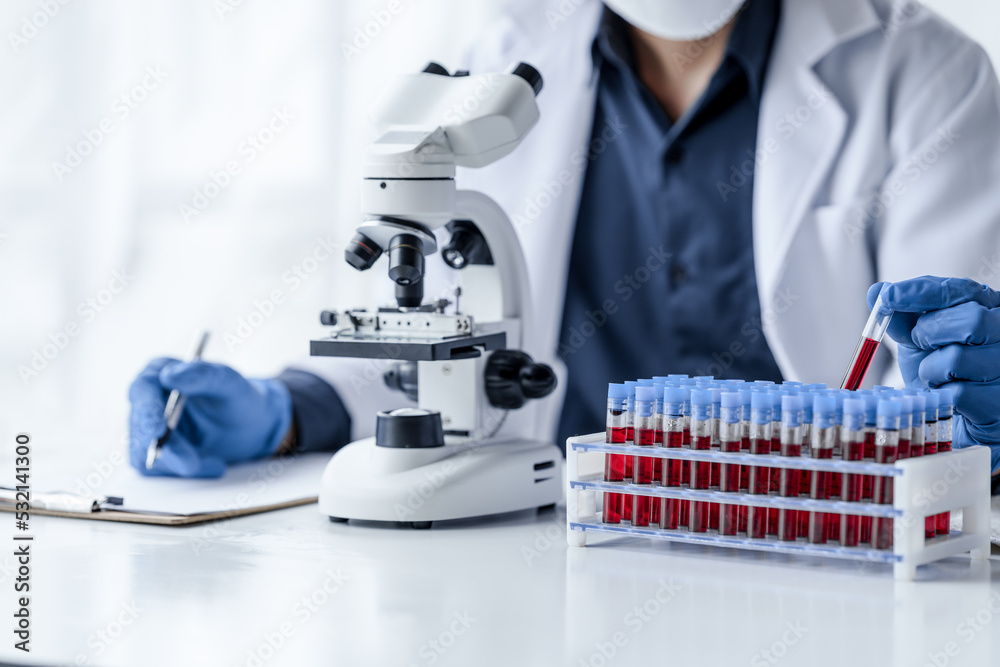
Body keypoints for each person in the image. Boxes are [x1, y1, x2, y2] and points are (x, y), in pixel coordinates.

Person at [128, 0, 1000, 489]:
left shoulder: (922, 74)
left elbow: (946, 385)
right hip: (558, 543)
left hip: (810, 541)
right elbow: (442, 341)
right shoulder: (508, 52)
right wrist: (283, 411)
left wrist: (982, 419)